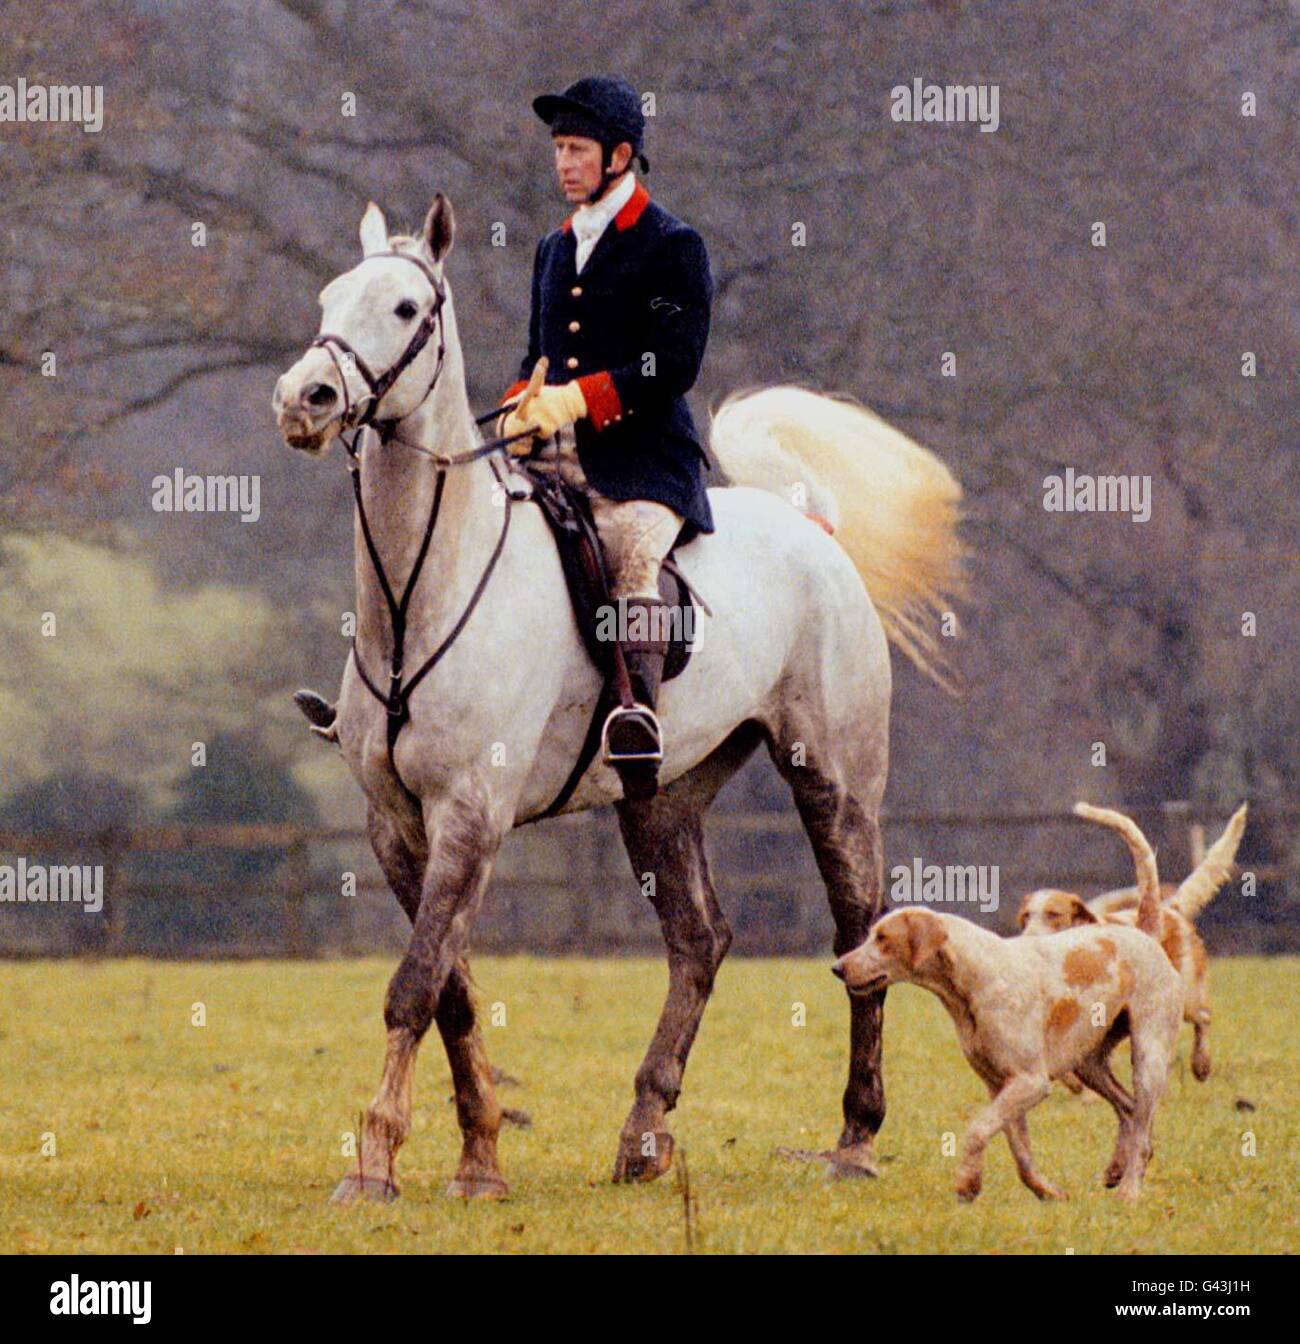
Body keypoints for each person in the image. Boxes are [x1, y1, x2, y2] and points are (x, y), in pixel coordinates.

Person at [500, 75, 715, 800]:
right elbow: (534, 358)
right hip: (553, 458)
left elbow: (672, 366)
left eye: (577, 149)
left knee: (631, 554)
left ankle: (636, 713)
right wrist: (517, 410)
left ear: (620, 154)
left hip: (643, 462)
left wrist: (580, 400)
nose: (563, 163)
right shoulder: (552, 249)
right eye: (559, 149)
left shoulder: (672, 245)